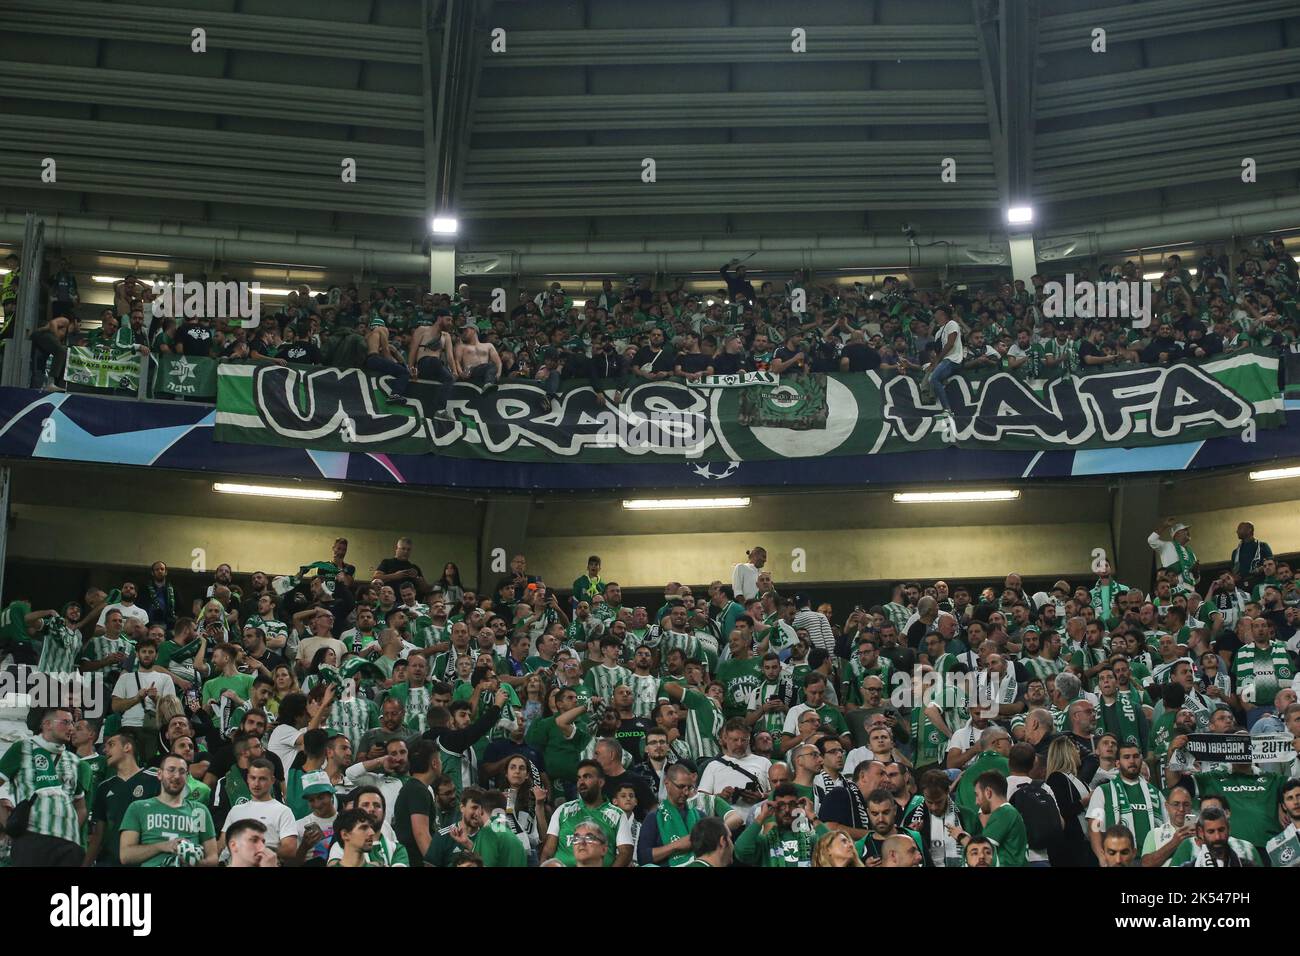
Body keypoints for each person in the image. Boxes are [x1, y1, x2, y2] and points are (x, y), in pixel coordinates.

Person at [0, 707, 87, 866]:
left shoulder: (75, 761)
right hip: (33, 838)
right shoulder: (23, 747)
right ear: (47, 724)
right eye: (66, 722)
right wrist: (8, 824)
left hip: (68, 844)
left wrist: (70, 831)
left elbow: (81, 806)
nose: (71, 728)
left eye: (72, 723)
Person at [119, 753, 219, 867]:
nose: (176, 776)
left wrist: (194, 862)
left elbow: (213, 859)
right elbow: (125, 856)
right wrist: (164, 846)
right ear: (160, 774)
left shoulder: (200, 810)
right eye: (171, 770)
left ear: (187, 776)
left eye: (182, 772)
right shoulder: (138, 808)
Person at [84, 731, 161, 867]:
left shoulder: (155, 779)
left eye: (111, 744)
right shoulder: (104, 787)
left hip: (146, 861)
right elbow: (98, 836)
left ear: (127, 747)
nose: (105, 749)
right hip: (109, 861)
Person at [541, 760, 634, 867]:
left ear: (600, 782)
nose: (581, 782)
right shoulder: (563, 810)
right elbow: (547, 852)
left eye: (587, 777)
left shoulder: (617, 814)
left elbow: (626, 852)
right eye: (579, 778)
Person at [1086, 742, 1166, 864]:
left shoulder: (1155, 793)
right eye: (1126, 757)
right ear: (1117, 763)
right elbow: (1094, 828)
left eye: (1135, 756)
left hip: (1151, 861)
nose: (1132, 761)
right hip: (1117, 861)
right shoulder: (1103, 791)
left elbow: (1167, 827)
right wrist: (1102, 857)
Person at [219, 758, 299, 863]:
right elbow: (221, 844)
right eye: (253, 778)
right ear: (247, 778)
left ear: (272, 780)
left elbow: (290, 849)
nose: (256, 783)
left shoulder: (283, 811)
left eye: (262, 779)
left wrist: (257, 849)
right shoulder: (235, 810)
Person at [732, 783, 829, 868]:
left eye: (791, 804)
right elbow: (741, 850)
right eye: (781, 805)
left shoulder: (810, 840)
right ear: (774, 808)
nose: (787, 810)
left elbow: (833, 846)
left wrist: (812, 816)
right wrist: (761, 817)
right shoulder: (764, 842)